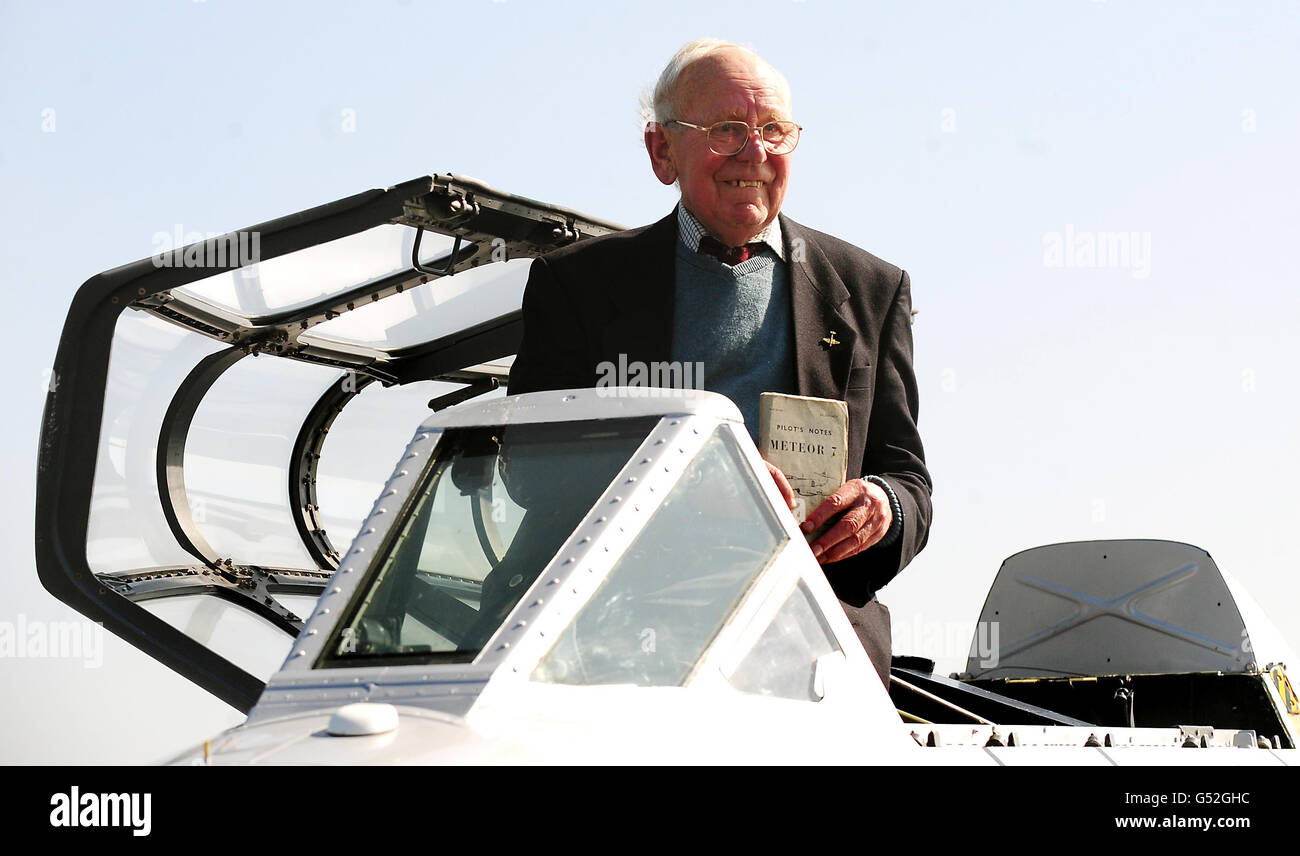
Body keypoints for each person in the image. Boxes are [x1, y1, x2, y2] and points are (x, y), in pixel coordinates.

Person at [508, 38, 932, 682]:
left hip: (808, 651)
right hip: (604, 638)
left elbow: (907, 478)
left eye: (773, 130)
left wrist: (882, 507)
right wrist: (693, 477)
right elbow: (529, 466)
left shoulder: (872, 289)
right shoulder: (577, 287)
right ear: (661, 151)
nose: (754, 153)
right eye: (726, 130)